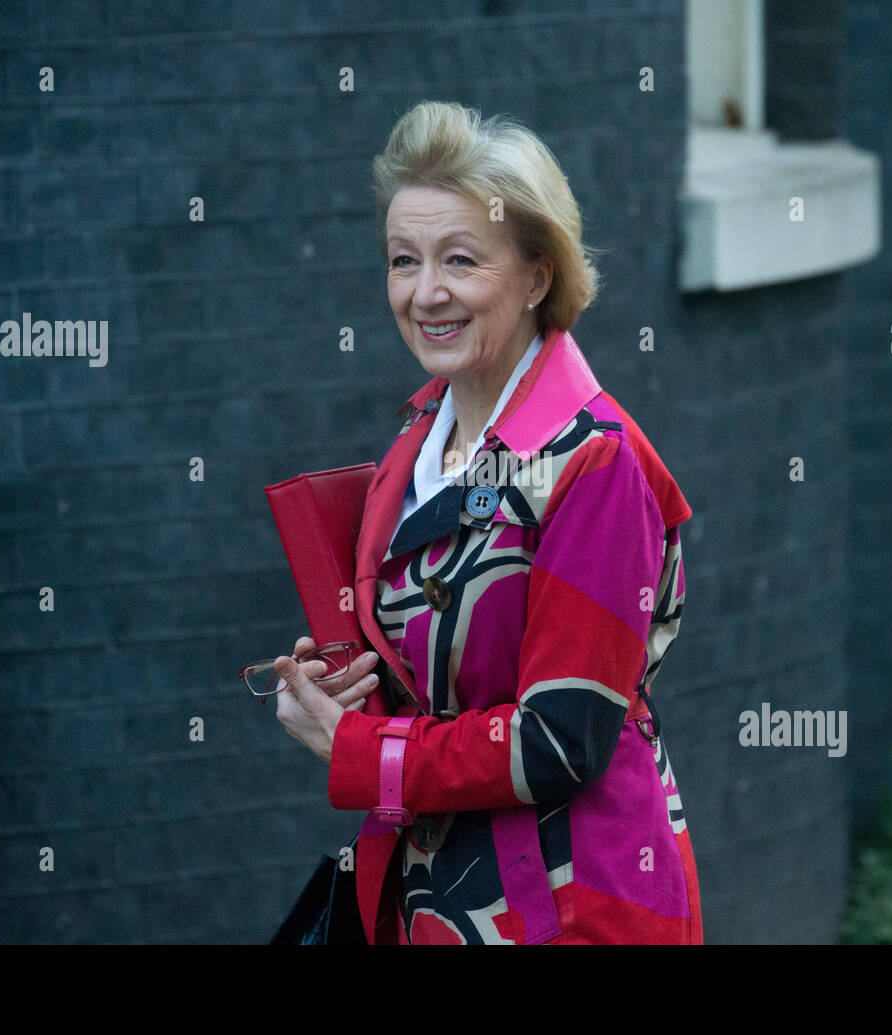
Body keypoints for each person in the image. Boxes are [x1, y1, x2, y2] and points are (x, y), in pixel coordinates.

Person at [271, 100, 701, 944]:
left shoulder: (595, 462)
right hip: (434, 896)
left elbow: (559, 739)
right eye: (404, 260)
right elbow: (436, 670)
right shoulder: (419, 430)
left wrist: (361, 749)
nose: (425, 292)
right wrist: (339, 689)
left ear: (538, 275)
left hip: (570, 906)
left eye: (460, 260)